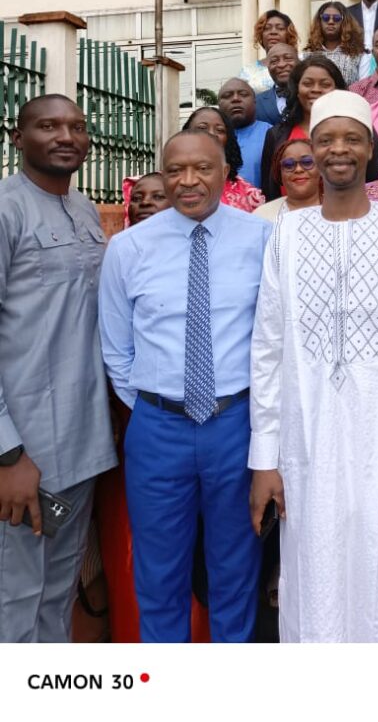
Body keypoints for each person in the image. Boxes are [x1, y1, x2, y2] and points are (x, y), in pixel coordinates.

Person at [249, 90, 378, 642]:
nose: (338, 150)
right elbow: (267, 350)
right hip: (307, 449)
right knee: (314, 579)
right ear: (310, 149)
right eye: (325, 140)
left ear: (370, 148)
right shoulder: (287, 234)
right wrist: (264, 460)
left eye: (351, 138)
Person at [99, 130, 273, 642]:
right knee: (158, 573)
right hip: (157, 429)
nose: (188, 181)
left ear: (225, 173)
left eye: (202, 168)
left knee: (236, 567)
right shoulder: (129, 248)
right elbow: (116, 348)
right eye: (175, 170)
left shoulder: (261, 239)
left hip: (237, 424)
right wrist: (158, 406)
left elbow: (272, 334)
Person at [0, 94, 117, 643]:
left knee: (59, 592)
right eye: (48, 126)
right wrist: (8, 454)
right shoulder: (6, 209)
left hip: (81, 445)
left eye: (76, 126)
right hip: (23, 454)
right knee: (14, 598)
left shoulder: (87, 210)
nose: (66, 136)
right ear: (18, 138)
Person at [259, 55, 346, 200]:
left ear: (337, 89)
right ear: (297, 90)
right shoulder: (276, 135)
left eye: (325, 84)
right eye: (308, 84)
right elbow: (270, 190)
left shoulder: (355, 131)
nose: (316, 90)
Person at [183, 107, 264, 213]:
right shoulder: (165, 184)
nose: (211, 134)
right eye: (202, 128)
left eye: (220, 130)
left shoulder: (249, 195)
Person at [218, 78, 272, 189]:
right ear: (219, 104)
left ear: (255, 101)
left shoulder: (272, 134)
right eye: (227, 95)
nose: (235, 99)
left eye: (243, 94)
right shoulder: (209, 138)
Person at [254, 138, 322, 223]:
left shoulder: (340, 210)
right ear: (279, 173)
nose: (298, 169)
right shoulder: (262, 215)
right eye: (288, 165)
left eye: (307, 162)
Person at [303, 0, 369, 85]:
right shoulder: (306, 55)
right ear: (319, 21)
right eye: (326, 17)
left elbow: (364, 87)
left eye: (337, 18)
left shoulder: (359, 55)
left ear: (345, 22)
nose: (331, 22)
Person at [239, 9, 300, 92]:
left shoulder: (302, 63)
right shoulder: (247, 72)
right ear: (260, 35)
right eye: (267, 28)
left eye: (280, 28)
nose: (273, 32)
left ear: (289, 34)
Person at [255, 44, 299, 126]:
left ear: (299, 62)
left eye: (288, 58)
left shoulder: (311, 96)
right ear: (268, 68)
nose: (281, 65)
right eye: (274, 61)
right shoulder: (256, 103)